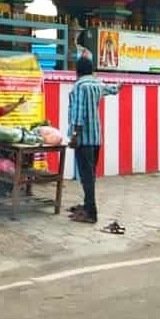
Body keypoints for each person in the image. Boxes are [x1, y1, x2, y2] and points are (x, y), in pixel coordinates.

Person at [66, 55, 103, 224]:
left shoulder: (80, 86)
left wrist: (74, 135)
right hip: (96, 138)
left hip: (84, 139)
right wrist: (119, 87)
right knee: (90, 175)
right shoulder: (97, 84)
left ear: (78, 71)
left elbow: (79, 113)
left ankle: (91, 213)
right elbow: (112, 89)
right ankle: (87, 206)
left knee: (86, 176)